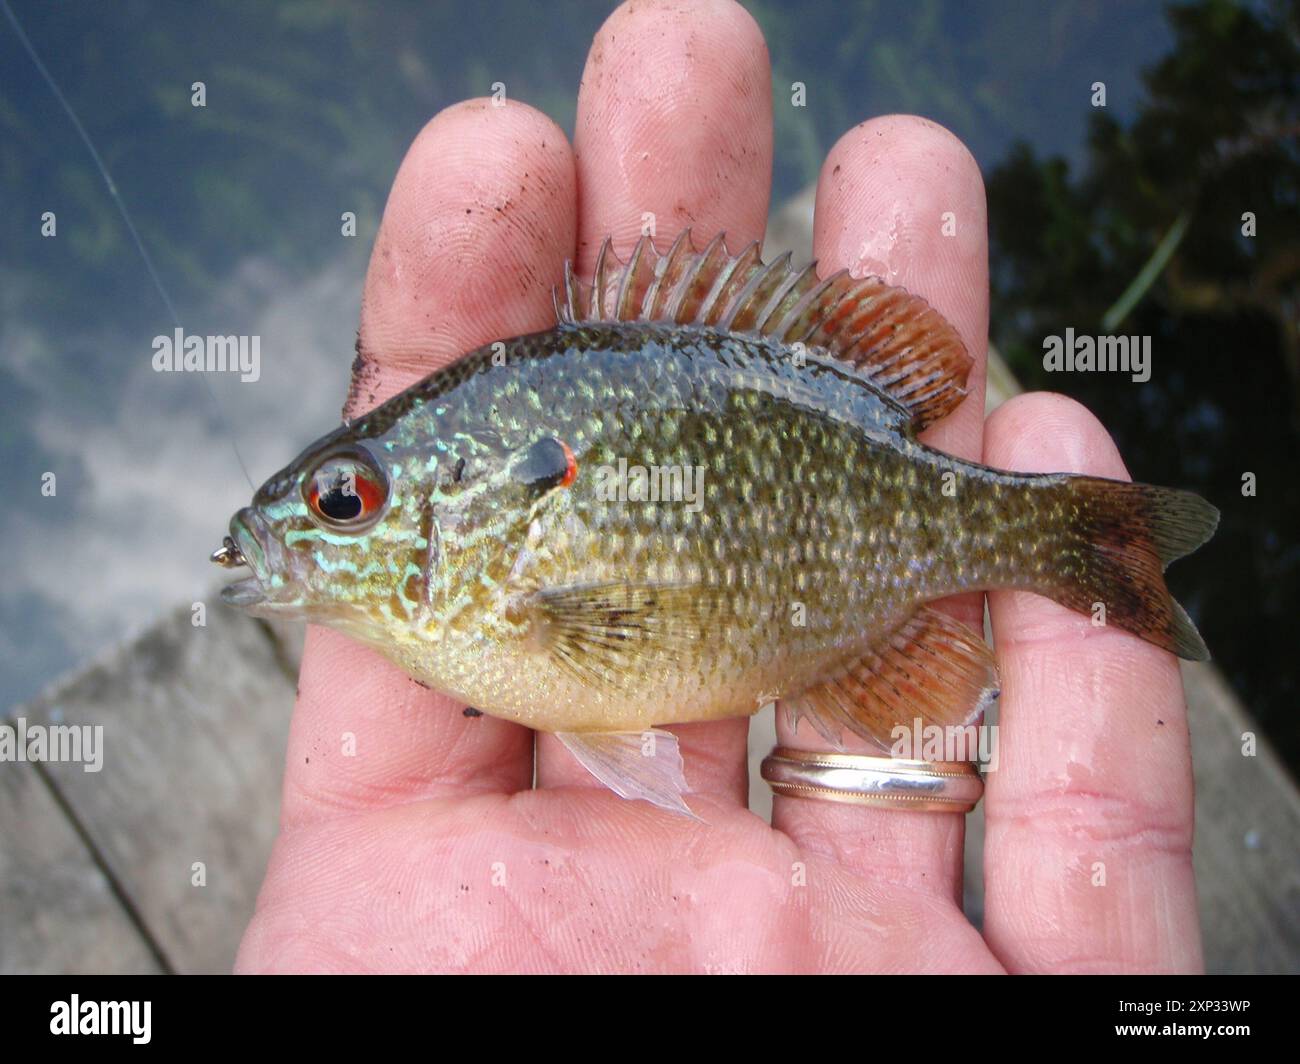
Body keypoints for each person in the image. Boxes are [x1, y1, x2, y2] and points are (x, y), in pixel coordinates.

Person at [235, 0, 1202, 973]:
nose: (317, 525)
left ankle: (1082, 544)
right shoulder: (475, 615)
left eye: (345, 503)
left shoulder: (493, 619)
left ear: (460, 496)